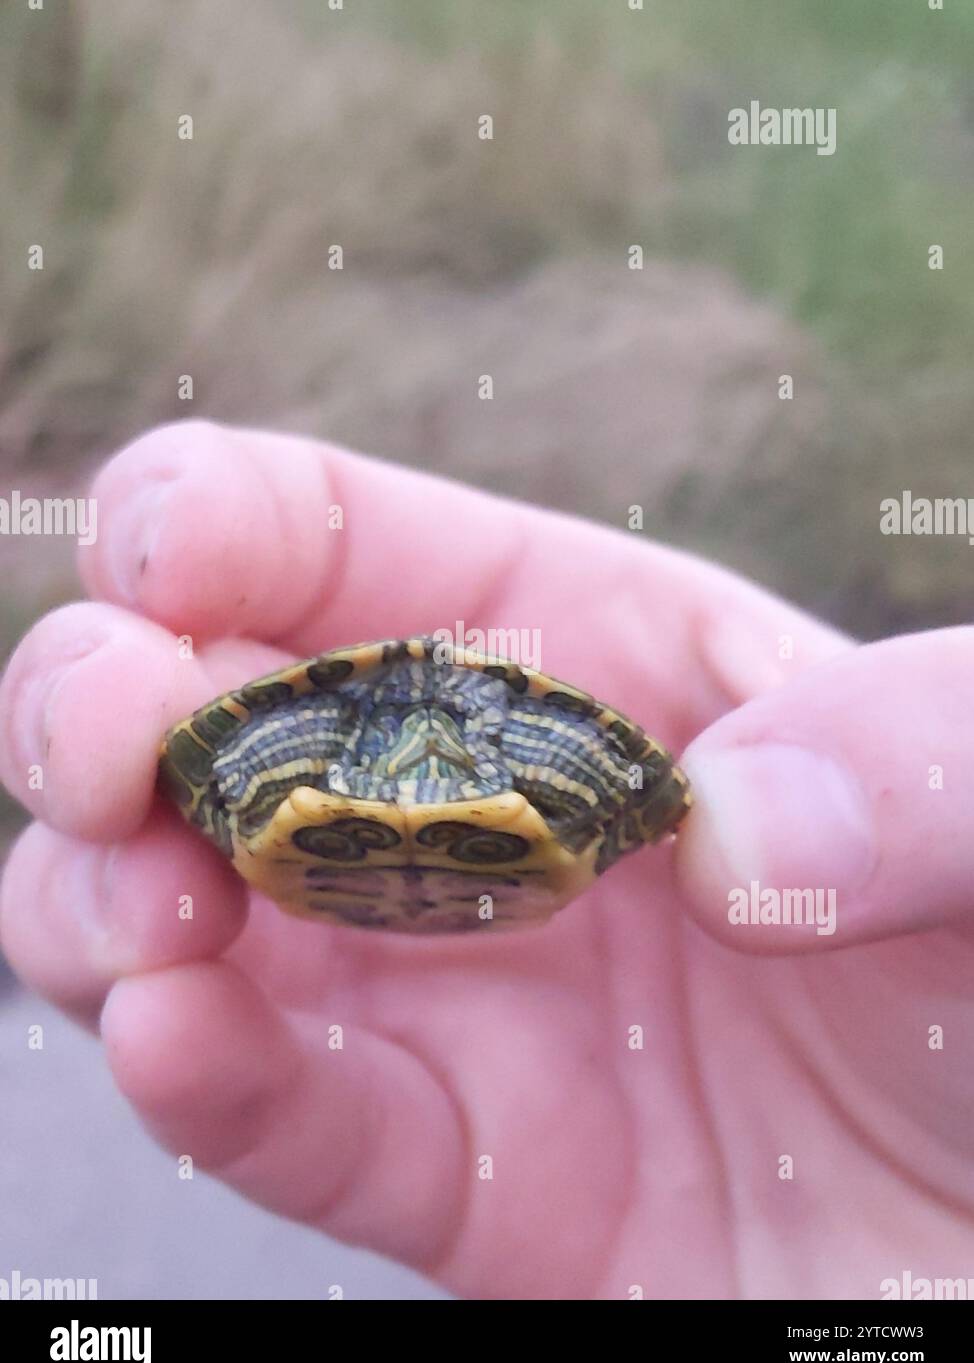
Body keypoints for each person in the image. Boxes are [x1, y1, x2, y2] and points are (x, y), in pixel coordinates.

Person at [1, 421, 970, 1300]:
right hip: (336, 888)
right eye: (403, 716)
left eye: (451, 720)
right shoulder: (301, 745)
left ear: (483, 731)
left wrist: (663, 802)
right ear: (360, 725)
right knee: (117, 753)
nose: (429, 726)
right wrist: (193, 785)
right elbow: (204, 762)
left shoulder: (532, 758)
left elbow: (638, 782)